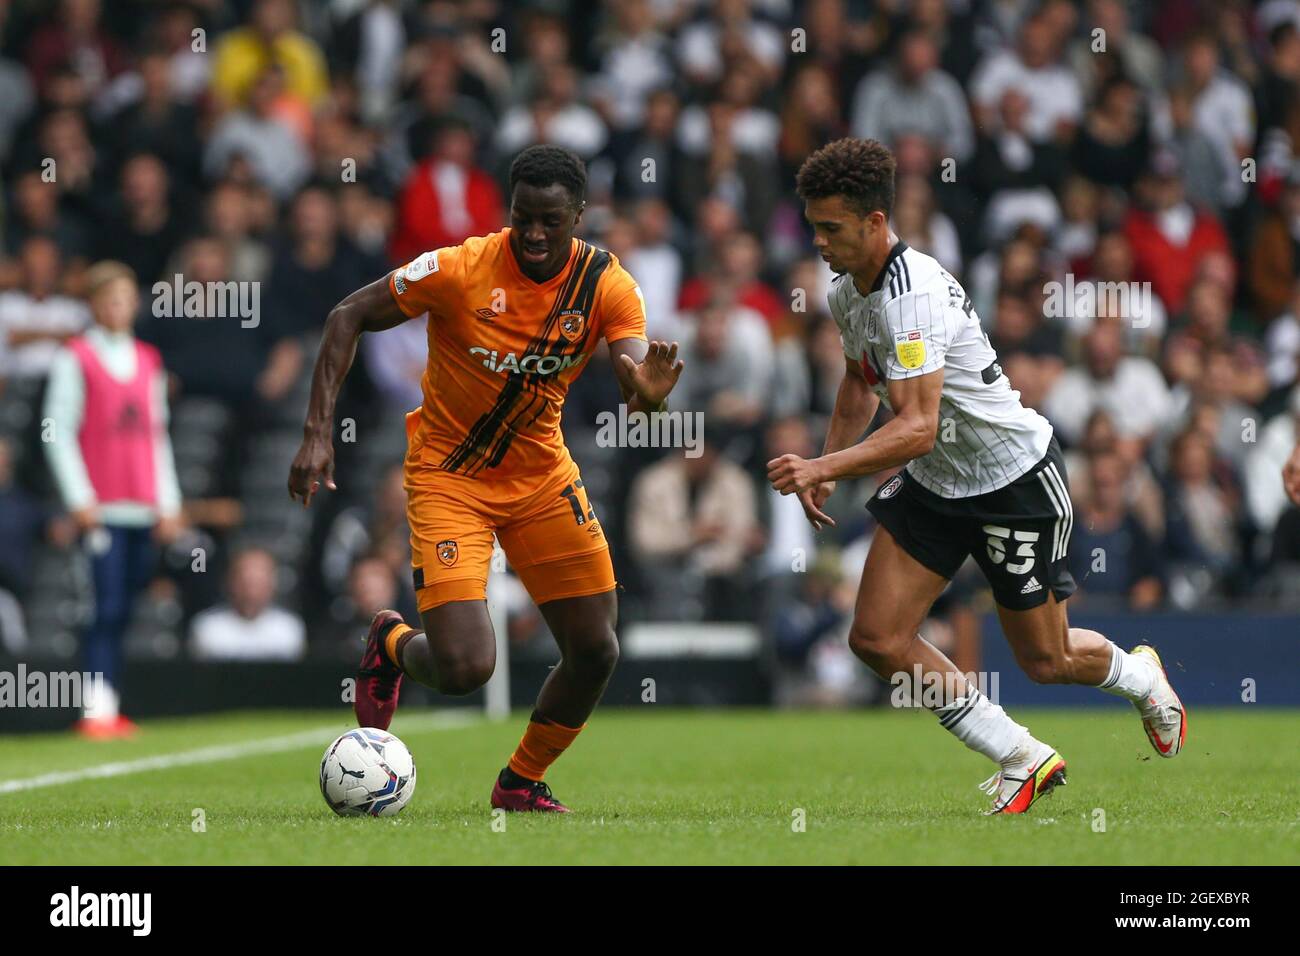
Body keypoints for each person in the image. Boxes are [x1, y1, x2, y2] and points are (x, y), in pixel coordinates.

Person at [765, 139, 1186, 815]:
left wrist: (822, 466)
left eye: (831, 228)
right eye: (813, 225)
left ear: (876, 221)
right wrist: (829, 462)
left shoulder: (914, 292)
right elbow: (857, 382)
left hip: (1014, 479)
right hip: (939, 481)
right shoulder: (848, 292)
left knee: (1045, 662)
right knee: (874, 637)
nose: (817, 241)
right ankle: (1021, 755)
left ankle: (1141, 677)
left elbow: (916, 426)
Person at [289, 145, 683, 812]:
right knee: (467, 668)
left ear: (579, 218)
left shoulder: (607, 285)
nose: (533, 234)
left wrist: (645, 388)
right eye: (523, 217)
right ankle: (390, 642)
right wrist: (317, 433)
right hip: (449, 478)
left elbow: (633, 363)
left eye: (549, 222)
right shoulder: (459, 267)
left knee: (595, 649)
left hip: (540, 481)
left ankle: (519, 782)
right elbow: (345, 316)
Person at [43, 260, 183, 738]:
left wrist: (168, 501)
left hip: (141, 506)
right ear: (94, 304)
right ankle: (95, 709)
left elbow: (157, 435)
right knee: (102, 606)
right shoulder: (75, 357)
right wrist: (79, 497)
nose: (117, 307)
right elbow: (56, 432)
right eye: (109, 299)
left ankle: (109, 703)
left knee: (124, 606)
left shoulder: (148, 359)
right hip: (101, 509)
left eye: (124, 298)